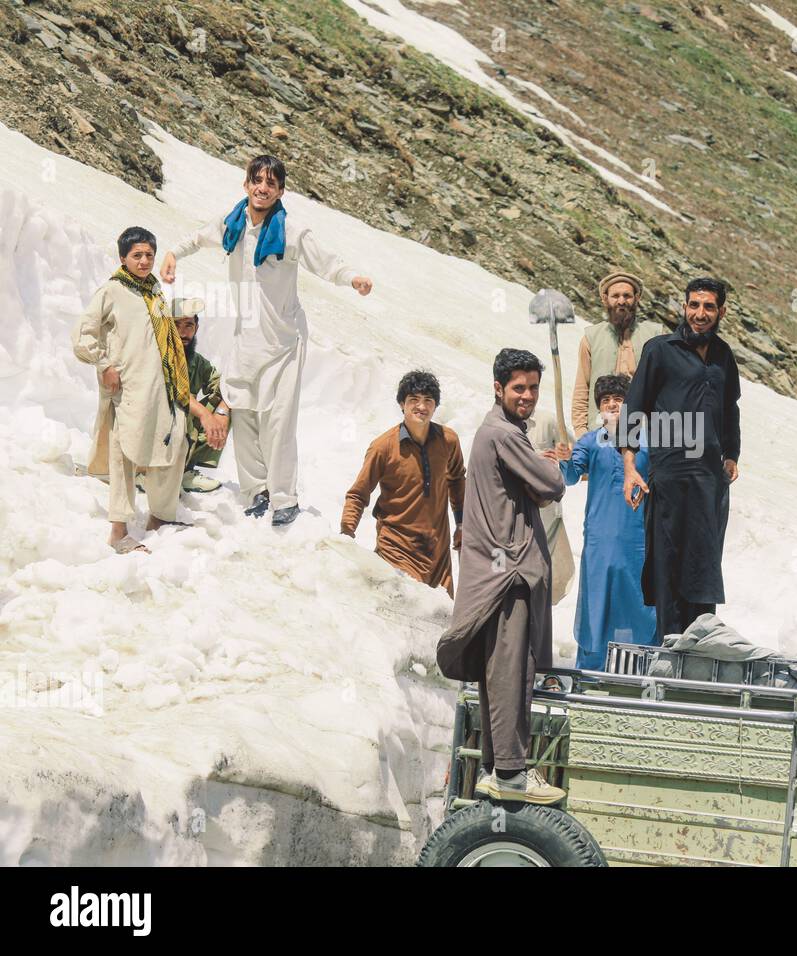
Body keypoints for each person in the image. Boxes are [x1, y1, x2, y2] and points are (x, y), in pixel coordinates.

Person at [160, 154, 373, 526]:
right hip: (246, 335)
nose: (262, 188)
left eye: (270, 183)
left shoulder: (292, 232)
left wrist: (353, 278)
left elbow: (327, 262)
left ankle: (284, 498)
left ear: (280, 191)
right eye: (257, 180)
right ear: (246, 185)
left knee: (278, 420)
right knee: (242, 414)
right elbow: (196, 238)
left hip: (284, 340)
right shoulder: (233, 223)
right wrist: (173, 254)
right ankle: (254, 490)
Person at [436, 349, 566, 805]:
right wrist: (547, 468)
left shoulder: (504, 433)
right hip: (509, 572)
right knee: (512, 672)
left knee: (500, 671)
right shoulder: (503, 434)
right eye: (519, 388)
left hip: (500, 569)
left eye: (533, 388)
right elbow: (552, 486)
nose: (527, 396)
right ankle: (512, 770)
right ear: (498, 388)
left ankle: (496, 766)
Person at [620, 277, 741, 641]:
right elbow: (633, 408)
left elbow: (730, 408)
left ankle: (700, 650)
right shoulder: (660, 350)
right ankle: (669, 652)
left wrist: (732, 454)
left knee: (704, 567)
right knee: (669, 567)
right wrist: (629, 467)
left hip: (709, 479)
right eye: (693, 305)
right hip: (670, 474)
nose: (699, 314)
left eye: (707, 307)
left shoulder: (724, 355)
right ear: (684, 307)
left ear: (721, 311)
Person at [72, 227, 189, 554]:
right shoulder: (111, 291)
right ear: (123, 258)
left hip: (159, 388)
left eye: (149, 255)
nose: (144, 261)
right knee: (122, 453)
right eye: (137, 255)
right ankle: (119, 530)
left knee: (173, 444)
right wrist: (104, 365)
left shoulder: (153, 291)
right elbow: (83, 335)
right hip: (127, 387)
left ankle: (159, 517)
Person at [555, 374, 656, 669]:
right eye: (605, 401)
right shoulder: (591, 440)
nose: (612, 405)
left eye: (619, 399)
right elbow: (571, 476)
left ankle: (641, 669)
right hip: (599, 541)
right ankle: (591, 670)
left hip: (638, 540)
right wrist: (564, 459)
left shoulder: (648, 441)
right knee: (596, 604)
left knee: (638, 603)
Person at [341, 370, 466, 596]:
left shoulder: (448, 441)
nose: (422, 406)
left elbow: (457, 480)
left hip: (438, 557)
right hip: (396, 553)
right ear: (402, 404)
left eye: (428, 400)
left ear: (436, 406)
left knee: (441, 624)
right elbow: (358, 494)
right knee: (399, 622)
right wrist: (346, 534)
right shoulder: (383, 447)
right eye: (414, 400)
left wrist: (461, 523)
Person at [570, 271, 661, 438]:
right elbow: (582, 388)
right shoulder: (591, 338)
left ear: (637, 298)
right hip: (600, 430)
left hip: (645, 431)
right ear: (605, 299)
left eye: (627, 295)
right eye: (615, 296)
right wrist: (581, 431)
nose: (621, 301)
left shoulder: (655, 336)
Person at [172, 298, 230, 493]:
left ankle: (185, 471)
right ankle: (146, 472)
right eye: (176, 325)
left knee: (228, 404)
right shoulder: (157, 354)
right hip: (153, 432)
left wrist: (221, 412)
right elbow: (174, 392)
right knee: (181, 407)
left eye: (189, 325)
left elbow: (224, 387)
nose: (183, 332)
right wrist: (205, 414)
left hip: (183, 432)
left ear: (196, 327)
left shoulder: (198, 362)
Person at [523, 408, 576, 603]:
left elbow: (573, 453)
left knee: (546, 582)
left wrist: (565, 454)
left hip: (546, 518)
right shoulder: (498, 424)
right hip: (513, 519)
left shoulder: (547, 420)